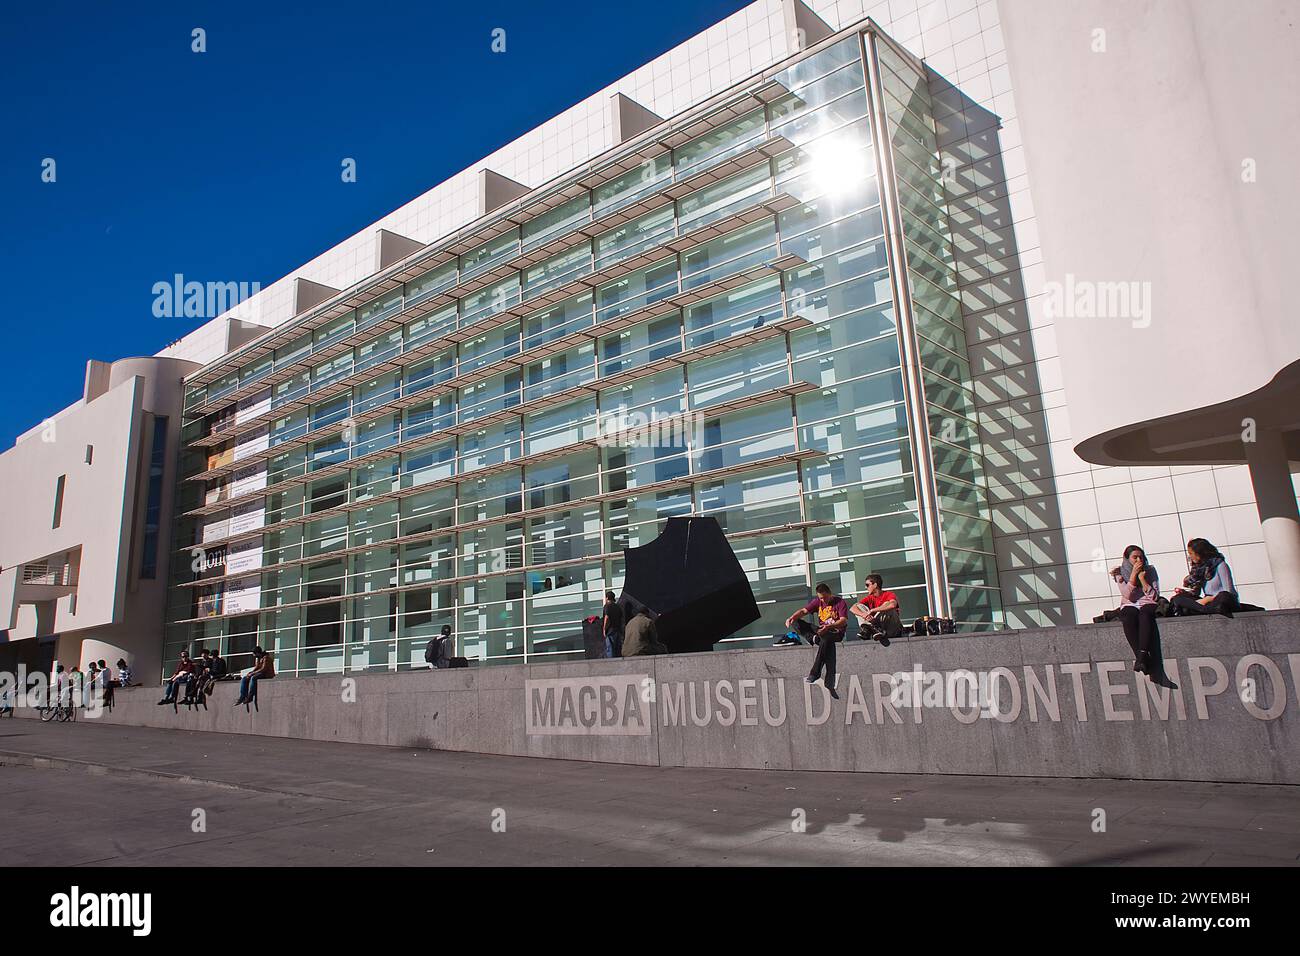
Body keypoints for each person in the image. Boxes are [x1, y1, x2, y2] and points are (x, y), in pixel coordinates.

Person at [1110, 545, 1175, 688]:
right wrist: (1133, 576)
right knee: (1128, 617)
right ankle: (1141, 658)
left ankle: (1142, 656)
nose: (1138, 560)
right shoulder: (1120, 574)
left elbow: (1154, 596)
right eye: (1135, 557)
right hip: (1129, 604)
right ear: (1127, 559)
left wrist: (1143, 580)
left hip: (1148, 603)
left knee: (1145, 615)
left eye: (1141, 557)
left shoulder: (1150, 571)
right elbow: (1128, 595)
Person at [787, 583, 849, 699]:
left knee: (826, 639)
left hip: (835, 632)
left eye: (825, 597)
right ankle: (814, 638)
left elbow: (843, 621)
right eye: (821, 598)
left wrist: (829, 627)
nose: (823, 600)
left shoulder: (840, 602)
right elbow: (803, 611)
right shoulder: (817, 602)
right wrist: (792, 617)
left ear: (830, 593)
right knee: (796, 622)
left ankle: (815, 673)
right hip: (821, 631)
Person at [1170, 538, 1238, 617]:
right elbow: (1196, 593)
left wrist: (1209, 599)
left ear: (1199, 553)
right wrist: (1185, 593)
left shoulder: (1220, 565)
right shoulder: (1199, 570)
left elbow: (1229, 591)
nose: (1190, 556)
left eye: (1191, 553)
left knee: (1224, 596)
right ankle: (1209, 610)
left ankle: (1205, 610)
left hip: (1220, 600)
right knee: (1178, 599)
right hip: (1208, 602)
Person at [850, 574, 902, 646]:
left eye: (867, 585)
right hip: (878, 629)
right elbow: (852, 608)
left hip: (892, 629)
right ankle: (868, 629)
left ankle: (873, 628)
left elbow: (892, 605)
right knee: (859, 606)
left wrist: (872, 610)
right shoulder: (870, 597)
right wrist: (864, 614)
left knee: (887, 604)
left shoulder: (889, 594)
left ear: (875, 585)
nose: (866, 587)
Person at [602, 591, 625, 659]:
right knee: (617, 648)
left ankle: (611, 664)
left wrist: (604, 629)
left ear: (607, 598)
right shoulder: (618, 607)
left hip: (610, 631)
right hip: (618, 630)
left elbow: (607, 617)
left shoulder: (607, 606)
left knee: (610, 648)